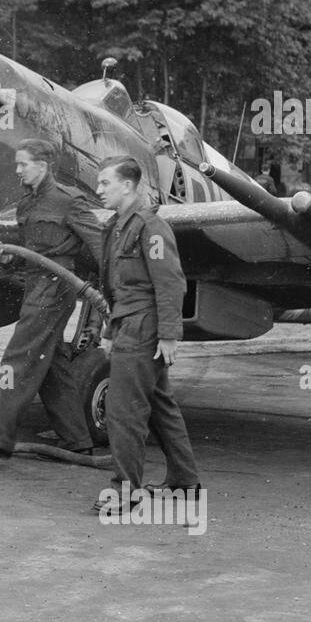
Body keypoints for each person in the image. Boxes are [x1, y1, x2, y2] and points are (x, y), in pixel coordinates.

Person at [0, 139, 105, 458]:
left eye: (23, 164)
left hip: (56, 287)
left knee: (16, 360)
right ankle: (78, 441)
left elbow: (100, 247)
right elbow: (31, 254)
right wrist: (6, 259)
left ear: (42, 166)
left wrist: (113, 288)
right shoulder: (26, 204)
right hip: (35, 284)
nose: (17, 170)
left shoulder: (70, 201)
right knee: (51, 364)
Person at [93, 155, 201, 516]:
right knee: (159, 405)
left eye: (105, 183)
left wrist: (169, 335)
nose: (99, 189)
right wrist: (109, 330)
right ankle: (185, 481)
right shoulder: (118, 226)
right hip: (129, 325)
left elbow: (170, 284)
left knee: (123, 412)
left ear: (128, 185)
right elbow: (116, 286)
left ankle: (125, 493)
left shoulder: (150, 227)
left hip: (144, 329)